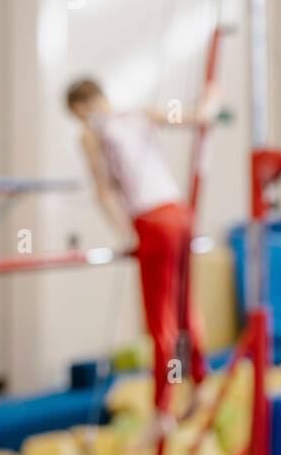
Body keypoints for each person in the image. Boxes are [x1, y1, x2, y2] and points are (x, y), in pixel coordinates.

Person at [64, 77, 220, 435]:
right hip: (180, 214)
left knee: (160, 319)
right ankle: (199, 384)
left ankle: (162, 410)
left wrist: (128, 233)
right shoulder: (138, 114)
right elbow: (200, 118)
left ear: (81, 108)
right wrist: (211, 97)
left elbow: (103, 192)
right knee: (185, 308)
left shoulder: (91, 134)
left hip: (151, 222)